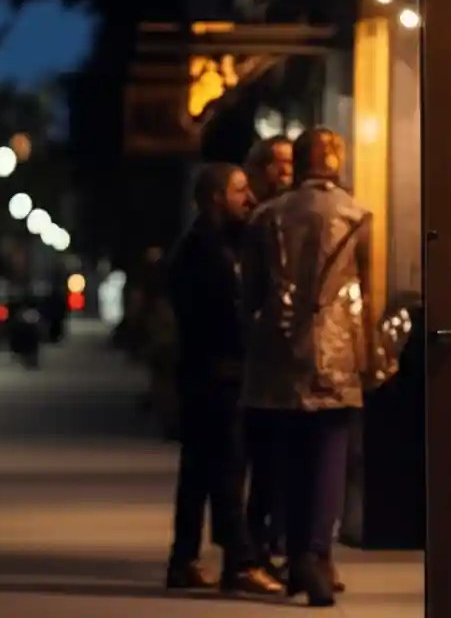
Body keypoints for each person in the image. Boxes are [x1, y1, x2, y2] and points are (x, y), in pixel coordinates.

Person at [242, 127, 385, 607]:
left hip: (277, 352)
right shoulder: (356, 214)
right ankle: (316, 552)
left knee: (283, 457)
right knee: (329, 458)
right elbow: (367, 294)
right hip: (336, 350)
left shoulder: (268, 216)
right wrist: (371, 360)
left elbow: (253, 294)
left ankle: (289, 546)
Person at [165, 163, 283, 596]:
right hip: (218, 377)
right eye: (239, 191)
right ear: (217, 197)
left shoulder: (204, 246)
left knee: (198, 473)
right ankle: (240, 562)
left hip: (203, 376)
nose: (249, 198)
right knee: (228, 472)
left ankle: (184, 560)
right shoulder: (209, 253)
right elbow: (225, 319)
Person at [241, 135, 294, 572]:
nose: (285, 172)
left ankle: (277, 545)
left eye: (291, 163)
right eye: (276, 163)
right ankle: (254, 547)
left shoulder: (292, 218)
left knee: (283, 464)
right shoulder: (255, 221)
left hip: (294, 360)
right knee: (264, 464)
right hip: (261, 362)